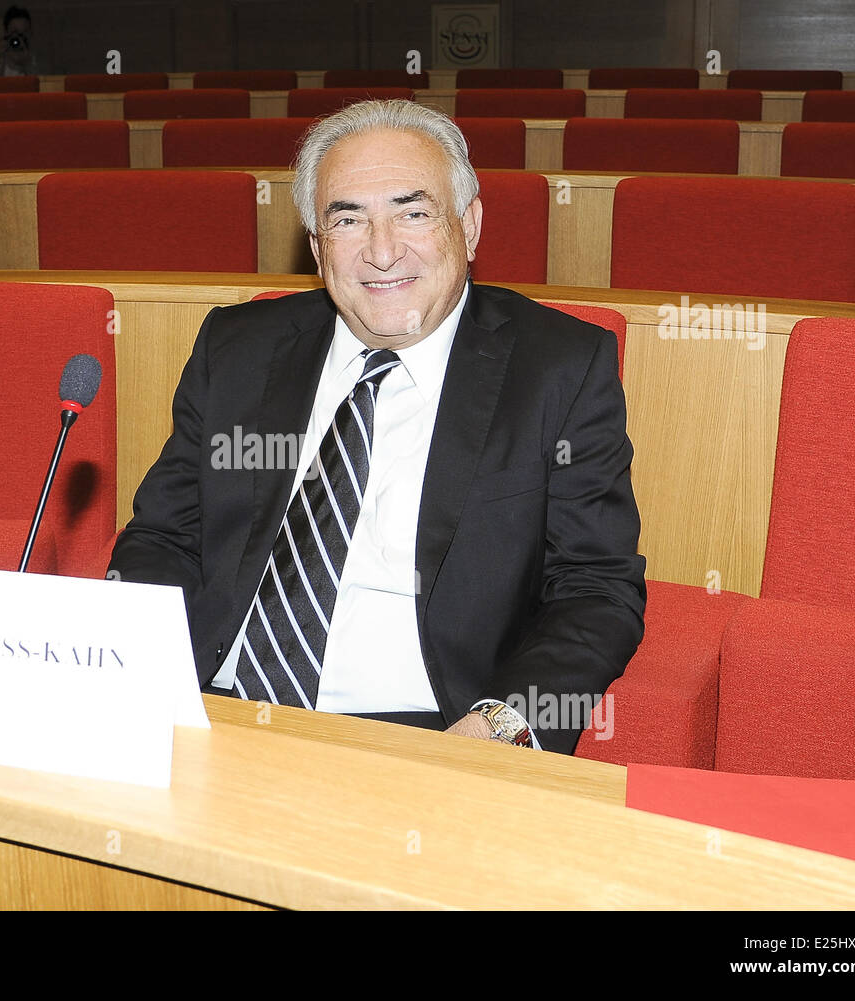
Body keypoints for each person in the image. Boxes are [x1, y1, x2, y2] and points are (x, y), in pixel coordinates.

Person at [108, 100, 646, 753]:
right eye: (348, 219)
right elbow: (165, 537)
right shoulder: (239, 348)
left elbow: (595, 587)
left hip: (425, 734)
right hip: (213, 710)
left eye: (412, 212)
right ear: (316, 247)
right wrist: (148, 677)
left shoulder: (557, 367)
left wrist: (500, 724)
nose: (383, 251)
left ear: (469, 226)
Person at [0, 5, 37, 77]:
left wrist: (26, 62)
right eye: (14, 32)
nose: (19, 38)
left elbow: (41, 83)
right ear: (6, 32)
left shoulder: (37, 58)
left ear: (30, 32)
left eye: (24, 33)